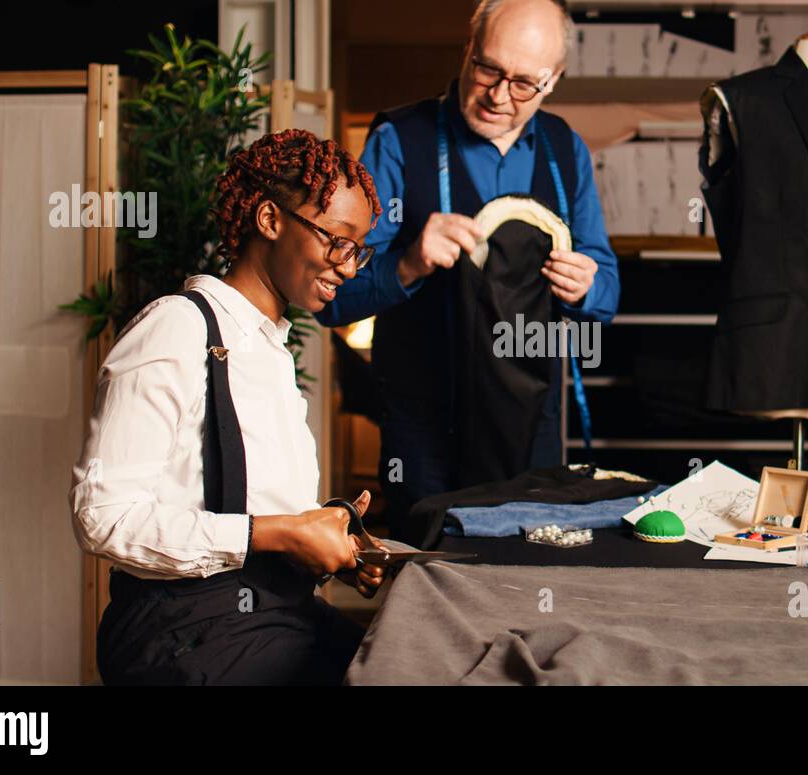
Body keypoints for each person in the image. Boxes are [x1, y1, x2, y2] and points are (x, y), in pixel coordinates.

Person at [70, 129, 387, 685]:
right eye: (337, 240)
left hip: (271, 615)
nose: (349, 266)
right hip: (181, 633)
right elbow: (102, 517)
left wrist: (328, 544)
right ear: (269, 220)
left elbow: (256, 505)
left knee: (403, 663)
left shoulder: (270, 349)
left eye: (358, 249)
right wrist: (282, 534)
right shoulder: (175, 327)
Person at [319, 0, 621, 535]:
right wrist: (408, 263)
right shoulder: (398, 140)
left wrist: (586, 286)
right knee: (427, 578)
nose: (500, 96)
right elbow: (334, 296)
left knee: (529, 573)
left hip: (533, 421)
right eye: (488, 69)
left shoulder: (565, 150)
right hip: (425, 420)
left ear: (554, 81)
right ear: (468, 50)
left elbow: (608, 292)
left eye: (524, 83)